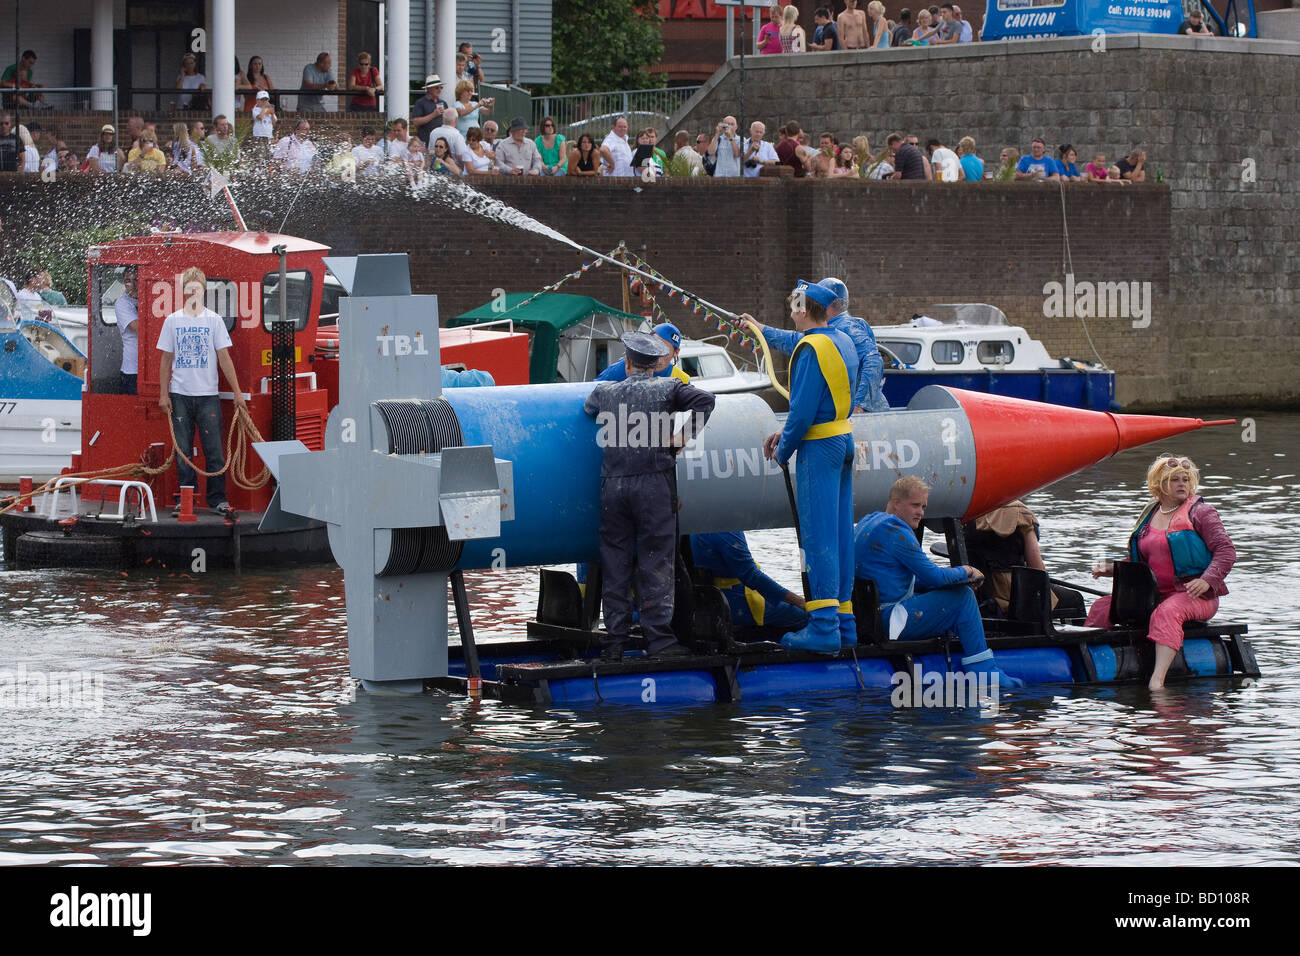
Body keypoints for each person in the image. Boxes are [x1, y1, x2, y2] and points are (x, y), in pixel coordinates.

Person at [583, 331, 716, 661]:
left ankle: (614, 642)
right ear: (656, 365)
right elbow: (706, 401)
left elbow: (588, 407)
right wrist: (680, 438)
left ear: (626, 362)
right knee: (656, 559)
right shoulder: (668, 388)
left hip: (612, 486)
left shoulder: (604, 392)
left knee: (615, 562)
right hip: (654, 484)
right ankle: (659, 640)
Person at [743, 280, 857, 653]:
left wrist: (784, 447)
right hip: (843, 438)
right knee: (840, 532)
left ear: (805, 310)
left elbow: (803, 409)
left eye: (794, 306)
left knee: (818, 535)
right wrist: (760, 330)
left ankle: (823, 629)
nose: (790, 311)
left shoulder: (810, 350)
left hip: (820, 447)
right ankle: (844, 621)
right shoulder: (840, 340)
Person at [1085, 455, 1236, 690]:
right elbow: (1142, 561)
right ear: (1159, 485)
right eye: (1175, 480)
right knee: (1102, 607)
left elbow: (1226, 551)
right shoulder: (1150, 513)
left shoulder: (1201, 513)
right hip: (1154, 594)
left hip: (1196, 595)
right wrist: (1114, 569)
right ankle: (1089, 666)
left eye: (1185, 479)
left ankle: (1157, 682)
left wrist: (1207, 580)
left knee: (1167, 613)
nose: (1182, 484)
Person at [855, 477, 1023, 686]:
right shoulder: (896, 532)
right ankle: (984, 670)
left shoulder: (867, 522)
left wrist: (953, 580)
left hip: (867, 619)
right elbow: (934, 576)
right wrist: (966, 571)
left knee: (948, 592)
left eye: (924, 507)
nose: (921, 513)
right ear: (896, 503)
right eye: (915, 505)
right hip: (890, 620)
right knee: (963, 597)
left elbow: (902, 580)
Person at [157, 266, 248, 518]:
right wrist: (164, 395)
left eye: (198, 286)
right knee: (183, 451)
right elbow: (165, 360)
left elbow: (225, 358)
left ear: (204, 289)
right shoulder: (172, 320)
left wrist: (237, 393)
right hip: (180, 395)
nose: (194, 291)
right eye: (190, 287)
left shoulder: (214, 320)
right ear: (184, 291)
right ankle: (186, 498)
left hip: (208, 394)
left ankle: (217, 499)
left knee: (214, 450)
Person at [746, 277, 886, 414]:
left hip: (864, 415)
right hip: (854, 414)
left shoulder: (847, 328)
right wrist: (758, 328)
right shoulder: (834, 329)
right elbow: (795, 340)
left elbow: (873, 361)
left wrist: (859, 405)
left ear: (828, 304)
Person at [964, 499, 1084, 619]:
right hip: (1014, 596)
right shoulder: (1020, 513)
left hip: (975, 595)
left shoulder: (966, 511)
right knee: (1075, 598)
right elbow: (1037, 570)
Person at [689, 532, 808, 638]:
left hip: (711, 599)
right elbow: (751, 576)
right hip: (735, 602)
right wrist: (799, 601)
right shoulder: (725, 528)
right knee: (807, 616)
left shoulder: (702, 521)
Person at [597, 323, 690, 383]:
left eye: (664, 351)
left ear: (676, 352)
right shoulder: (623, 366)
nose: (658, 356)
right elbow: (590, 390)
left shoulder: (682, 379)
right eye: (655, 347)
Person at [114, 267, 140, 395]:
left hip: (151, 367)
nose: (133, 285)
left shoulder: (151, 299)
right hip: (131, 370)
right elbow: (140, 328)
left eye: (136, 280)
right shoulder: (122, 303)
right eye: (128, 281)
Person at [410, 75, 448, 145]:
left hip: (441, 141)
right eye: (437, 88)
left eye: (441, 87)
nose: (440, 90)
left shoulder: (443, 103)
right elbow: (415, 122)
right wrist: (433, 115)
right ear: (429, 89)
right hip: (425, 140)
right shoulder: (420, 103)